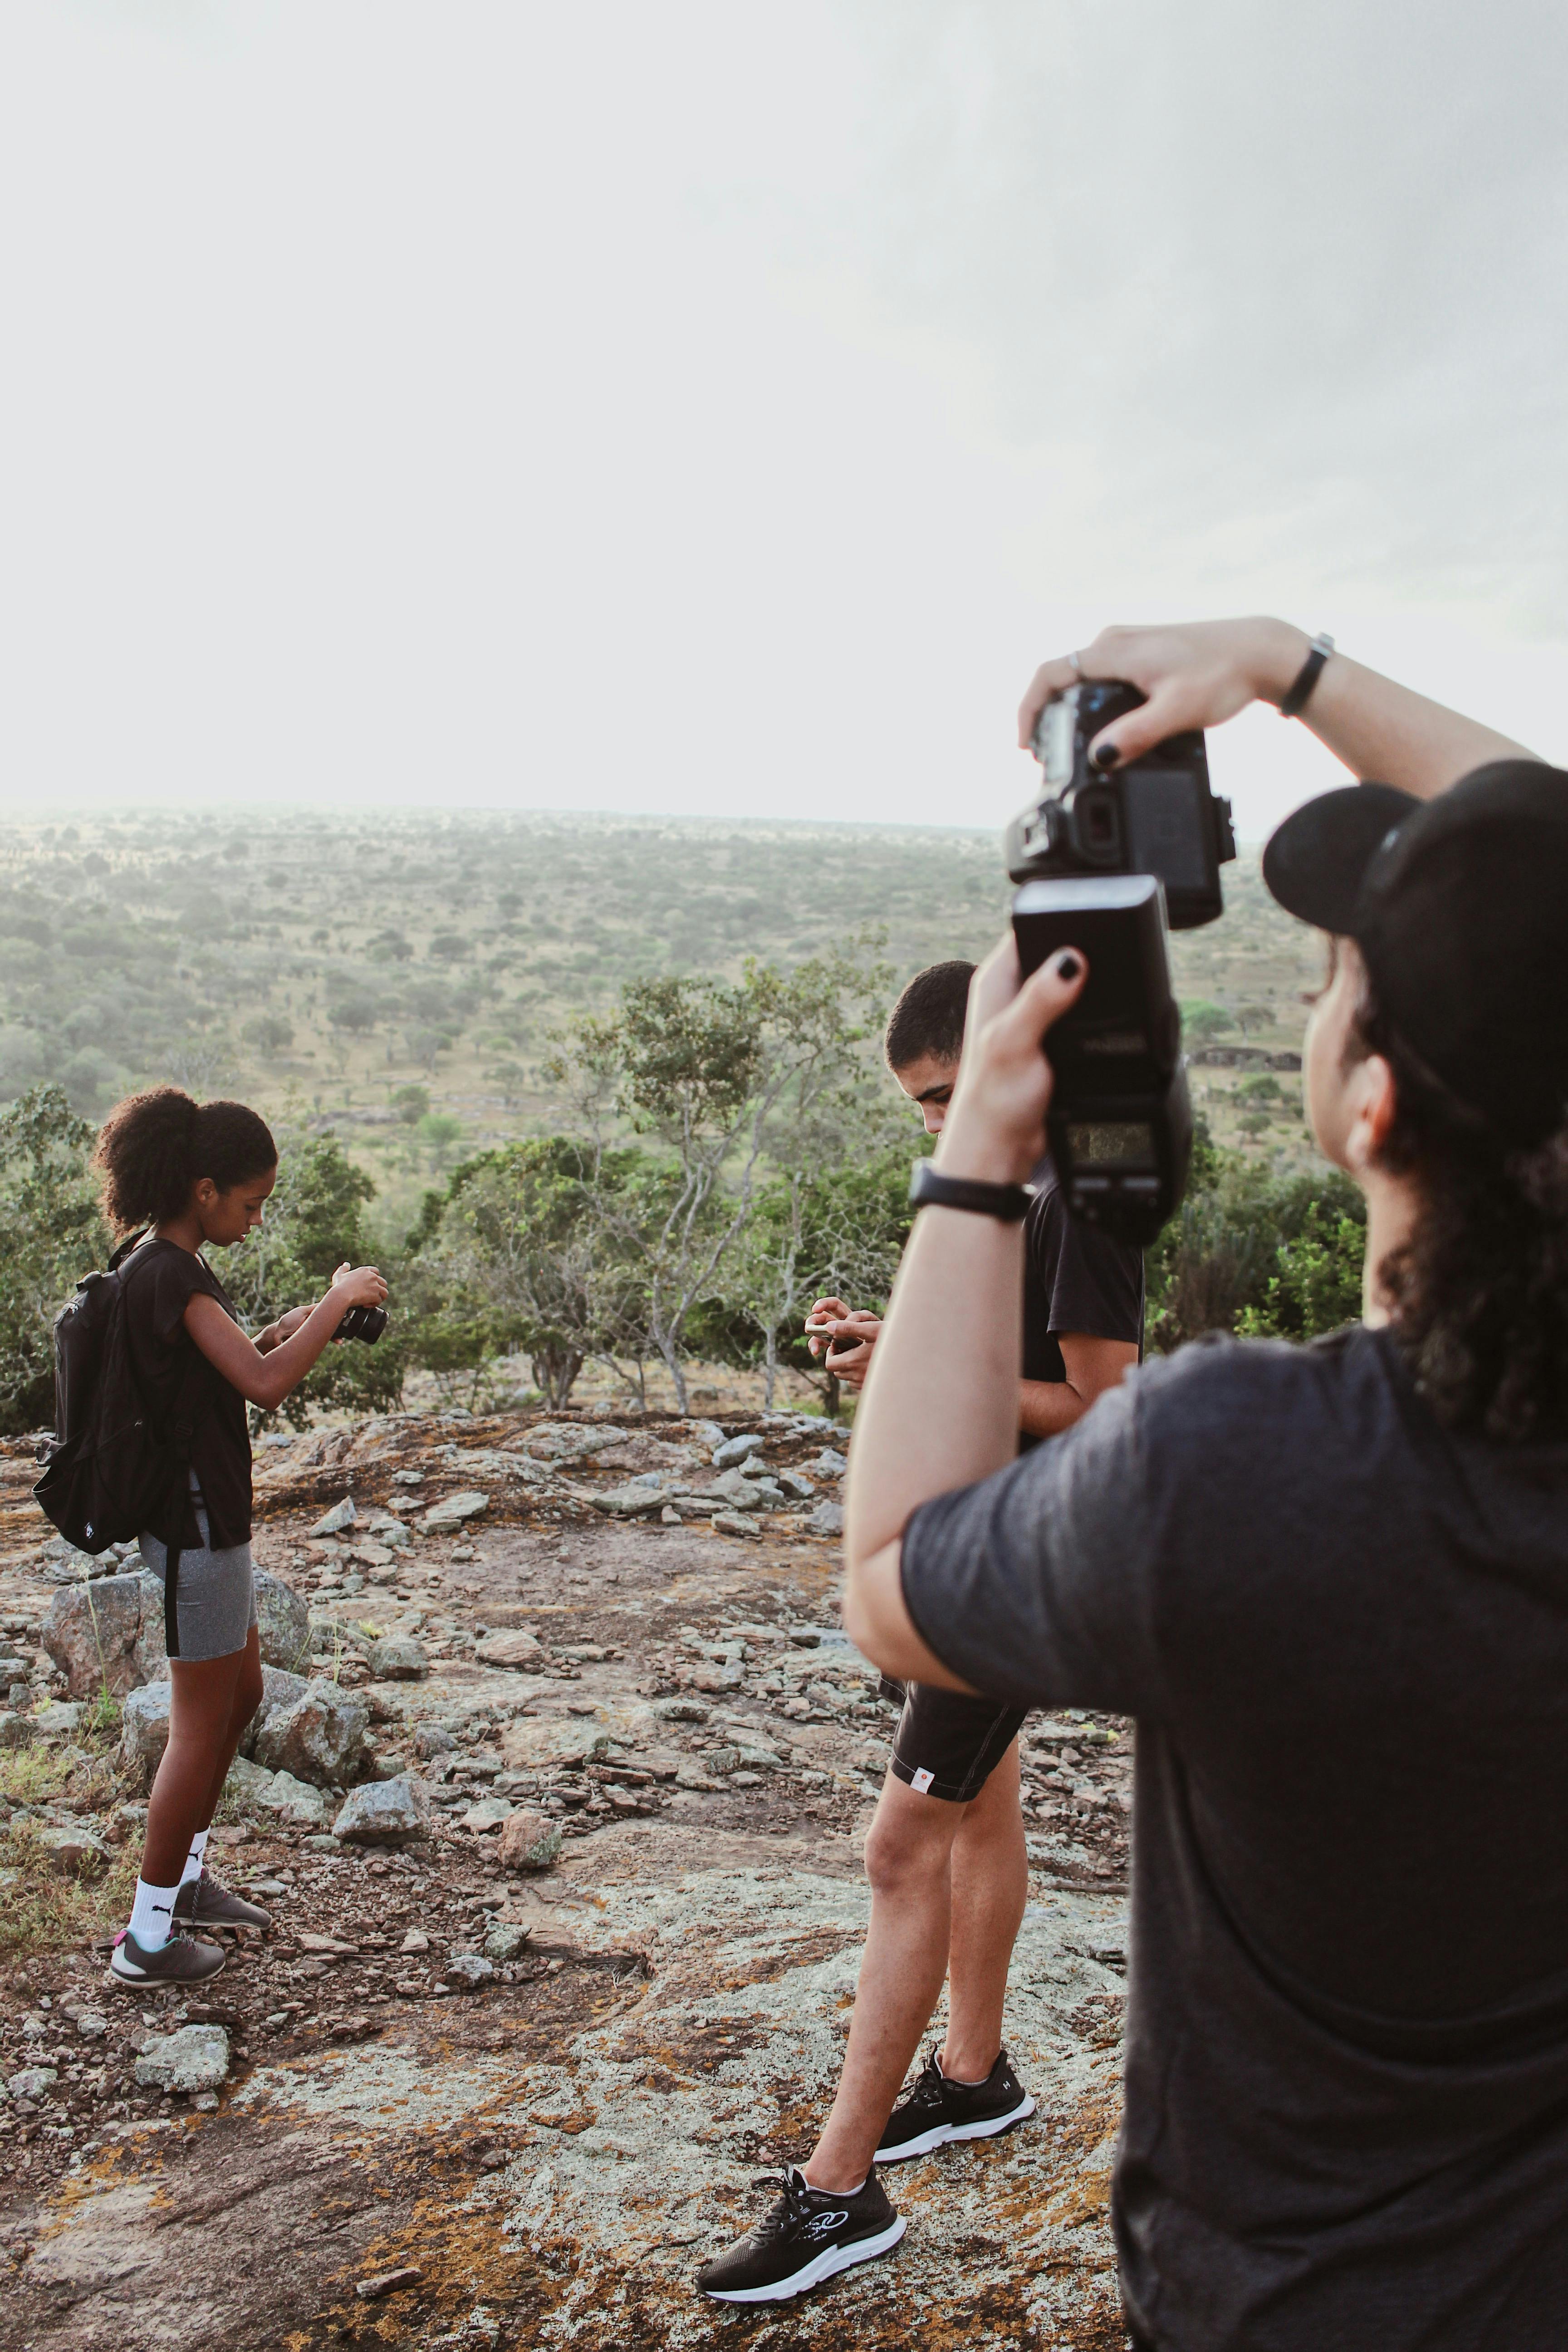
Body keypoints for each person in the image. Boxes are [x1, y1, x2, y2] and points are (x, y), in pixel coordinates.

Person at [842, 617, 1568, 2348]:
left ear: (1366, 1104)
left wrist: (975, 1165)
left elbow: (894, 1567)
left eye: (1336, 973)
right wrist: (1285, 668)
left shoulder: (1238, 1473)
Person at [696, 965, 1144, 2303]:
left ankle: (838, 2195)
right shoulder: (1019, 1194)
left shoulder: (1080, 1202)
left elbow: (1104, 1407)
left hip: (1023, 1558)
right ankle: (973, 2076)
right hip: (984, 1542)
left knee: (900, 1848)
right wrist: (903, 1345)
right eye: (924, 1111)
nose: (942, 1127)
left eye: (952, 1097)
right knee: (980, 1813)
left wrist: (915, 1362)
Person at [97, 1088, 388, 1989]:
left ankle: (184, 1883)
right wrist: (339, 1303)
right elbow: (263, 1385)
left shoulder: (168, 1265)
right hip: (196, 1533)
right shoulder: (170, 1274)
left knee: (246, 1691)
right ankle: (147, 1940)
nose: (256, 1221)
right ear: (206, 1188)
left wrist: (313, 1316)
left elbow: (234, 1360)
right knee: (196, 1727)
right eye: (252, 1205)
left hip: (205, 1523)